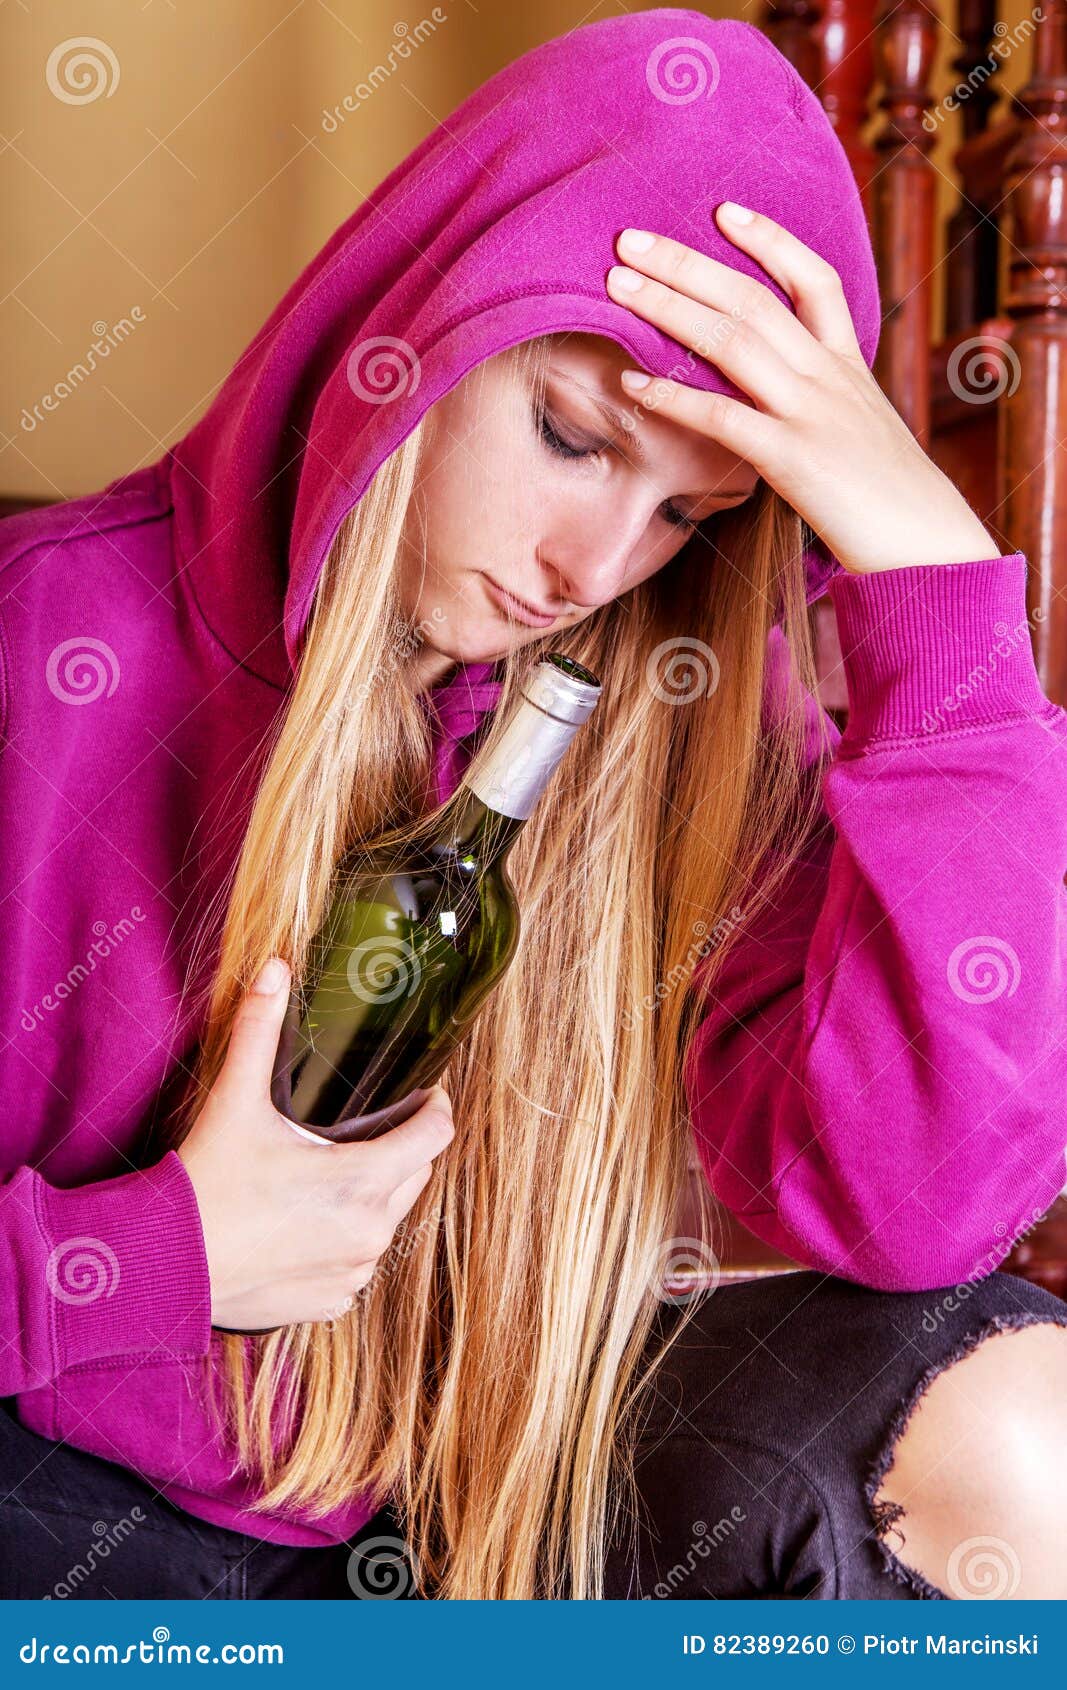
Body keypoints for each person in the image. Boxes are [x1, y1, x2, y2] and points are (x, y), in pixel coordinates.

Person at [2, 11, 1066, 1602]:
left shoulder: (670, 708)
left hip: (475, 1526)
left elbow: (930, 1203)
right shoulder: (47, 645)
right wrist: (151, 1259)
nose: (590, 569)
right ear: (428, 322)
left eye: (684, 516)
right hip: (64, 1504)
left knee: (1028, 1420)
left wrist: (939, 610)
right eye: (573, 436)